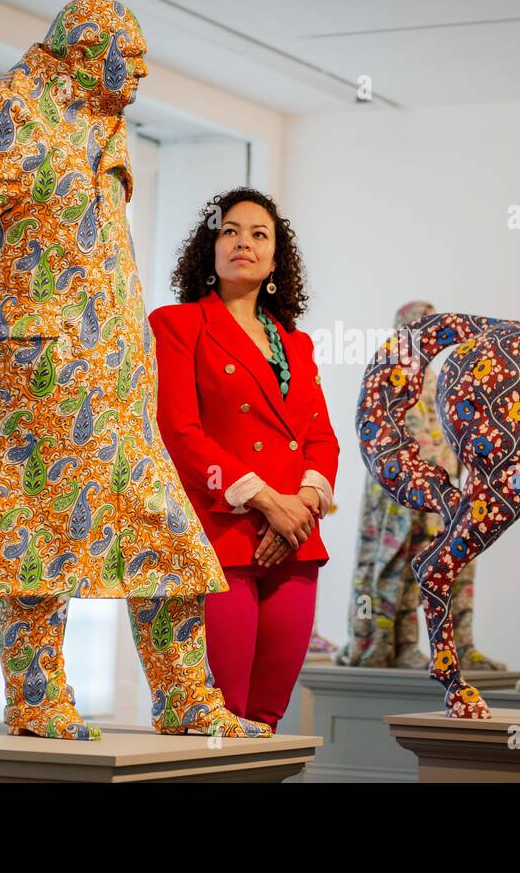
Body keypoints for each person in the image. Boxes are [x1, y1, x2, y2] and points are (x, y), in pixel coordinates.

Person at [0, 0, 269, 740]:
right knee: (38, 541)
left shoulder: (105, 122)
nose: (140, 69)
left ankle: (184, 698)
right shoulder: (9, 112)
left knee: (169, 534)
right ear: (82, 50)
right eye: (128, 54)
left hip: (115, 378)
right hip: (38, 371)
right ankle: (37, 699)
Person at [149, 188, 339, 732]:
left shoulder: (296, 344)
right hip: (220, 538)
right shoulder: (177, 325)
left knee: (268, 718)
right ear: (210, 248)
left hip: (295, 546)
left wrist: (297, 510)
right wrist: (265, 502)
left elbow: (321, 439)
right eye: (230, 231)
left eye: (260, 235)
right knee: (223, 716)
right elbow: (179, 433)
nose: (244, 243)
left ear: (276, 260)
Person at [336, 301, 503, 671]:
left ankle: (459, 648)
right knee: (392, 565)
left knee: (448, 563)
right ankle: (384, 645)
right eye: (415, 325)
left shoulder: (440, 375)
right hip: (397, 492)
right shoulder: (389, 371)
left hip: (441, 492)